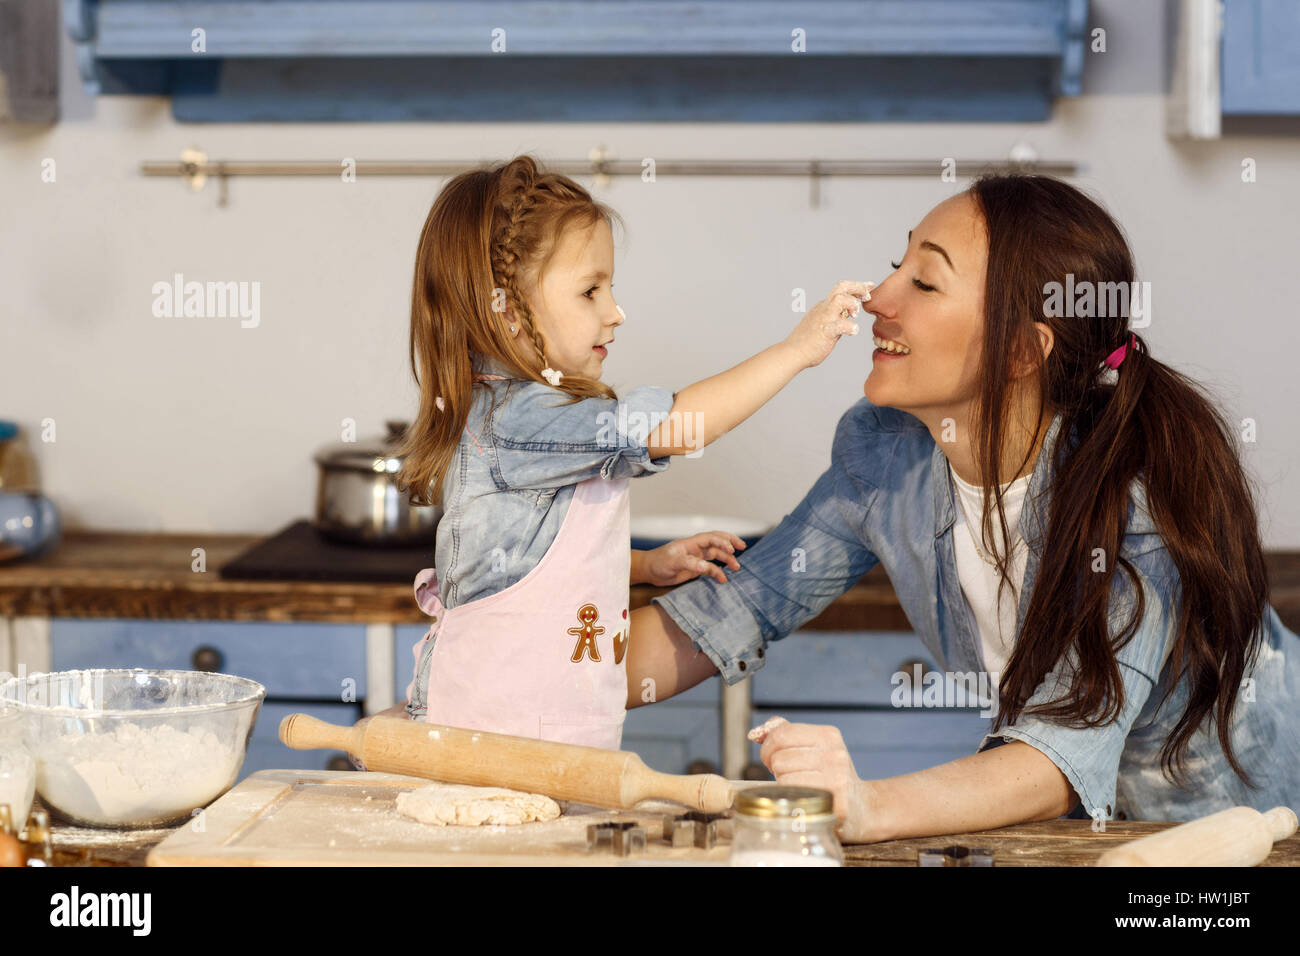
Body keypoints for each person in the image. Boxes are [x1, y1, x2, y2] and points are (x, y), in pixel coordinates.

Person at [628, 172, 1300, 841]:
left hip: (1250, 832)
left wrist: (864, 806)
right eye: (899, 265)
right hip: (1091, 843)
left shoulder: (1134, 508)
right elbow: (736, 608)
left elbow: (1055, 760)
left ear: (1019, 351)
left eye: (923, 283)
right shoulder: (887, 454)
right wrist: (549, 672)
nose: (878, 298)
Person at [390, 154, 871, 750]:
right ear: (506, 311)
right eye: (591, 290)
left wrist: (645, 567)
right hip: (489, 739)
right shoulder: (517, 420)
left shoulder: (537, 421)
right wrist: (796, 350)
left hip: (539, 735)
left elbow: (533, 567)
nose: (616, 312)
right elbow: (678, 425)